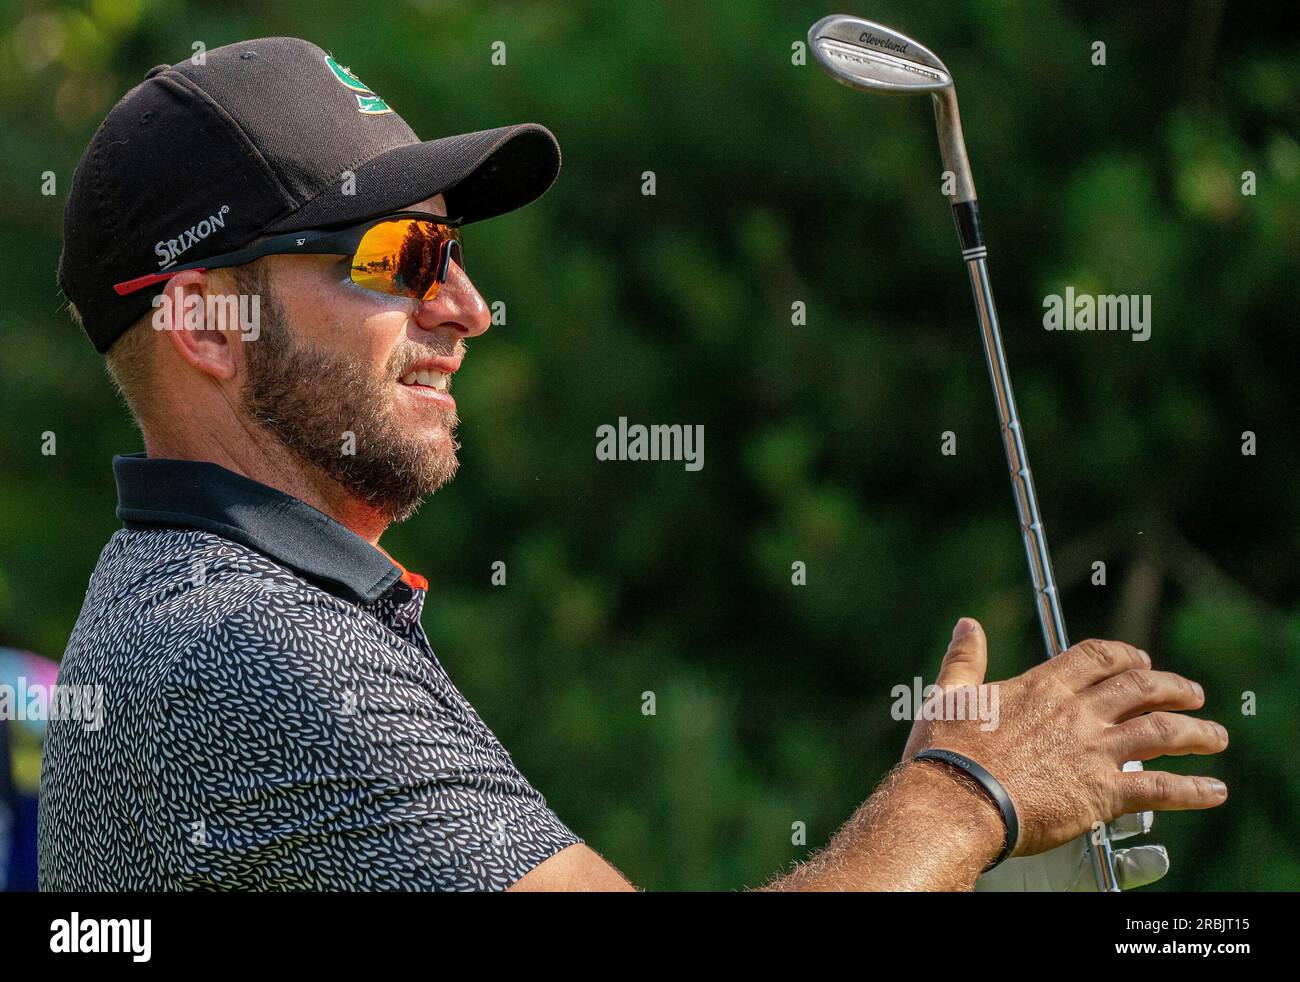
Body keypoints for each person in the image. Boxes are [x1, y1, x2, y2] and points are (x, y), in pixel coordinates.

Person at [40, 37, 1228, 892]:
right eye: (400, 255)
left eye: (453, 252)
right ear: (205, 324)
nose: (468, 305)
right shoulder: (247, 646)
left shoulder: (200, 604)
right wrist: (961, 799)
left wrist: (942, 852)